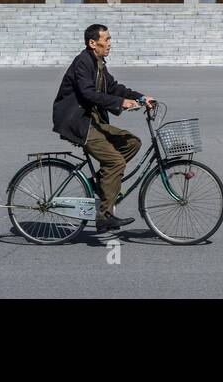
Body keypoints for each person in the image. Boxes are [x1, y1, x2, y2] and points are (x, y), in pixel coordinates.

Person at [52, 24, 156, 234]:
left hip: (92, 119)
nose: (109, 43)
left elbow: (115, 87)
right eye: (106, 39)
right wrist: (121, 103)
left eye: (109, 39)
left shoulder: (98, 63)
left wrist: (140, 97)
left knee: (132, 142)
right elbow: (88, 94)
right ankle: (104, 217)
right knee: (115, 161)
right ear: (93, 43)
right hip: (78, 121)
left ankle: (101, 181)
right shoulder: (83, 62)